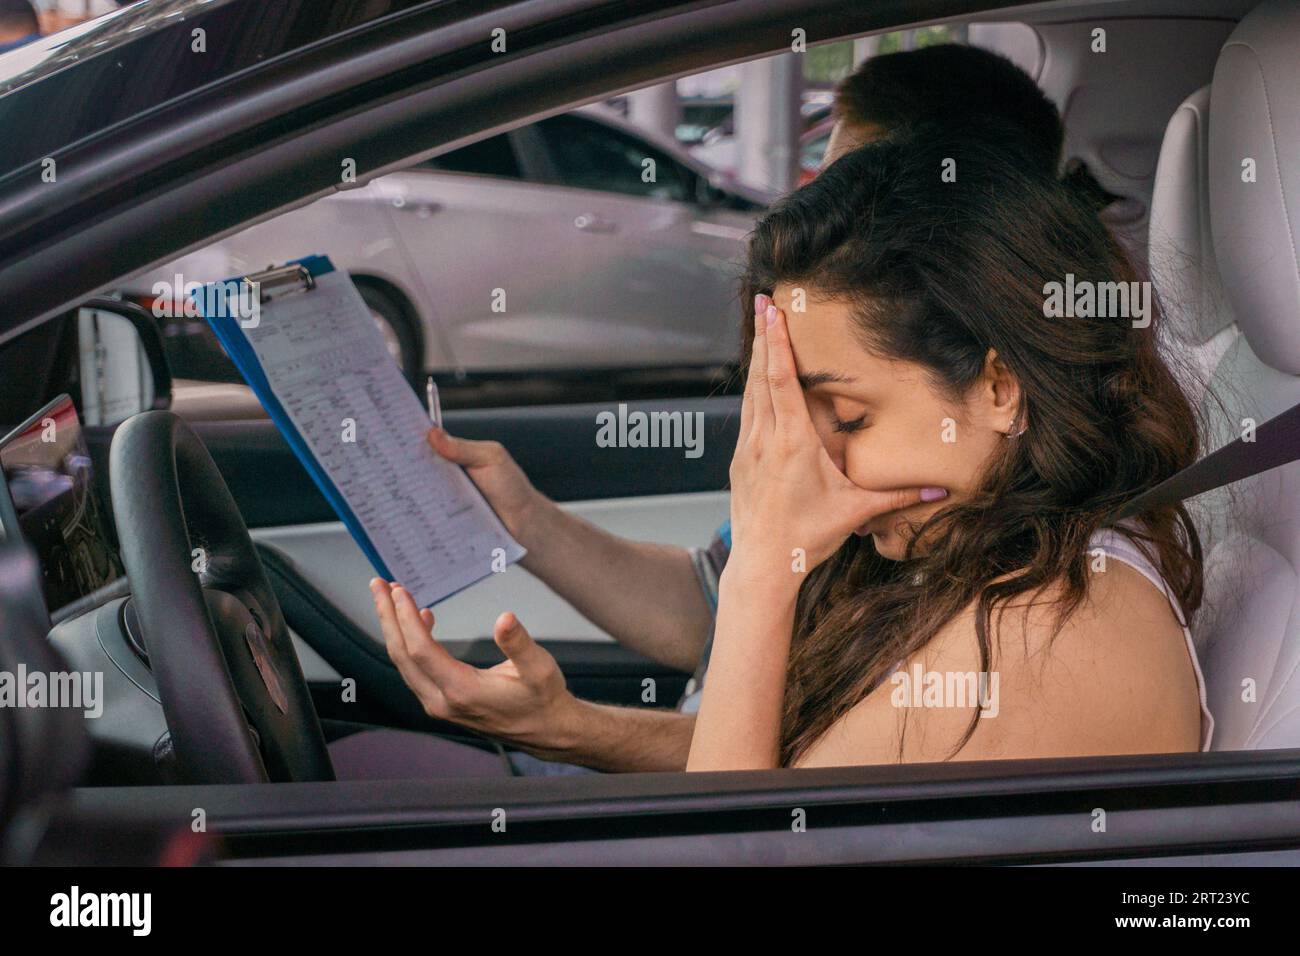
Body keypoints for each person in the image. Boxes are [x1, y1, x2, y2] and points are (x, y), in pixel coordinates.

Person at [368, 45, 1130, 777]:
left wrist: (574, 726)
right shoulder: (965, 537)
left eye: (851, 416)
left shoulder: (1044, 625)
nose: (807, 457)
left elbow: (752, 825)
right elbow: (727, 643)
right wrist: (524, 521)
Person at [685, 121, 1210, 769]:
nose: (815, 468)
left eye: (848, 420)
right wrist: (584, 732)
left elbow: (732, 849)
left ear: (999, 387)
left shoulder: (1049, 637)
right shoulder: (989, 566)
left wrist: (759, 573)